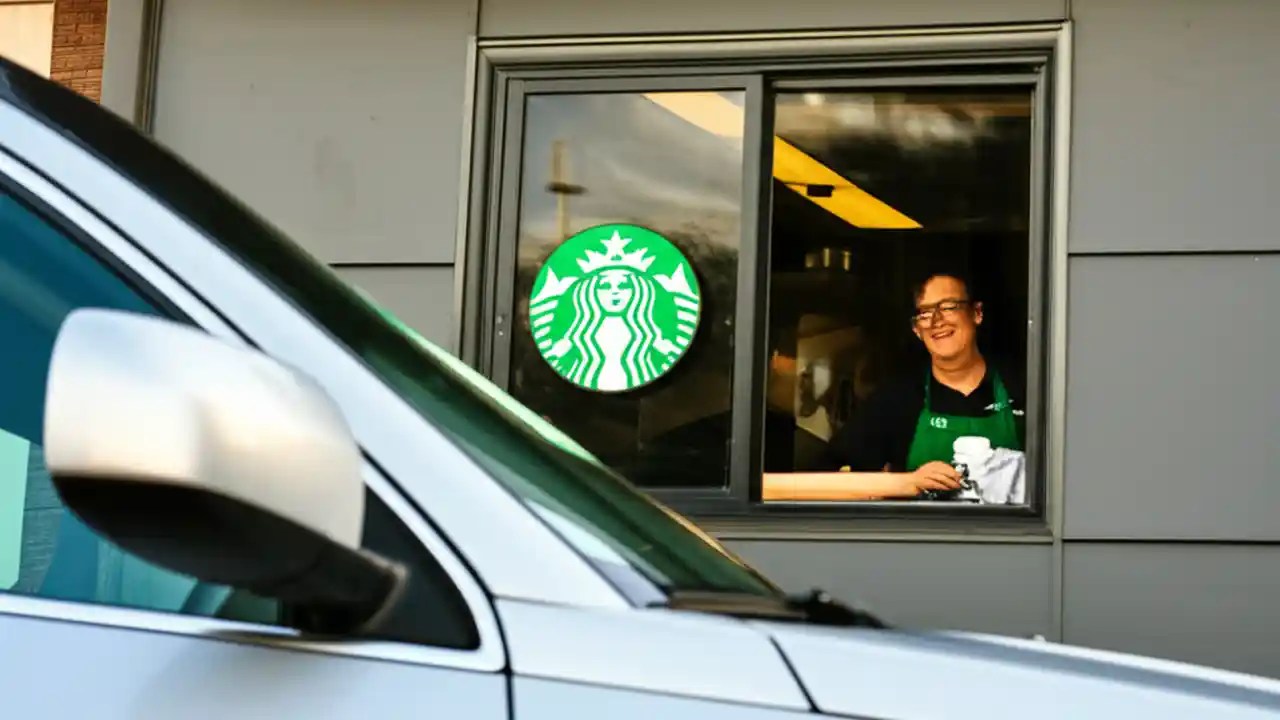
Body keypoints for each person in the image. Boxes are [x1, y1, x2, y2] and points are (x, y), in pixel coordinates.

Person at [762, 270, 1024, 501]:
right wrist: (904, 483)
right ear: (916, 330)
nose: (936, 321)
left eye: (948, 306)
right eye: (925, 313)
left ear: (976, 313)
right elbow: (830, 473)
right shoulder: (897, 399)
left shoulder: (1023, 388)